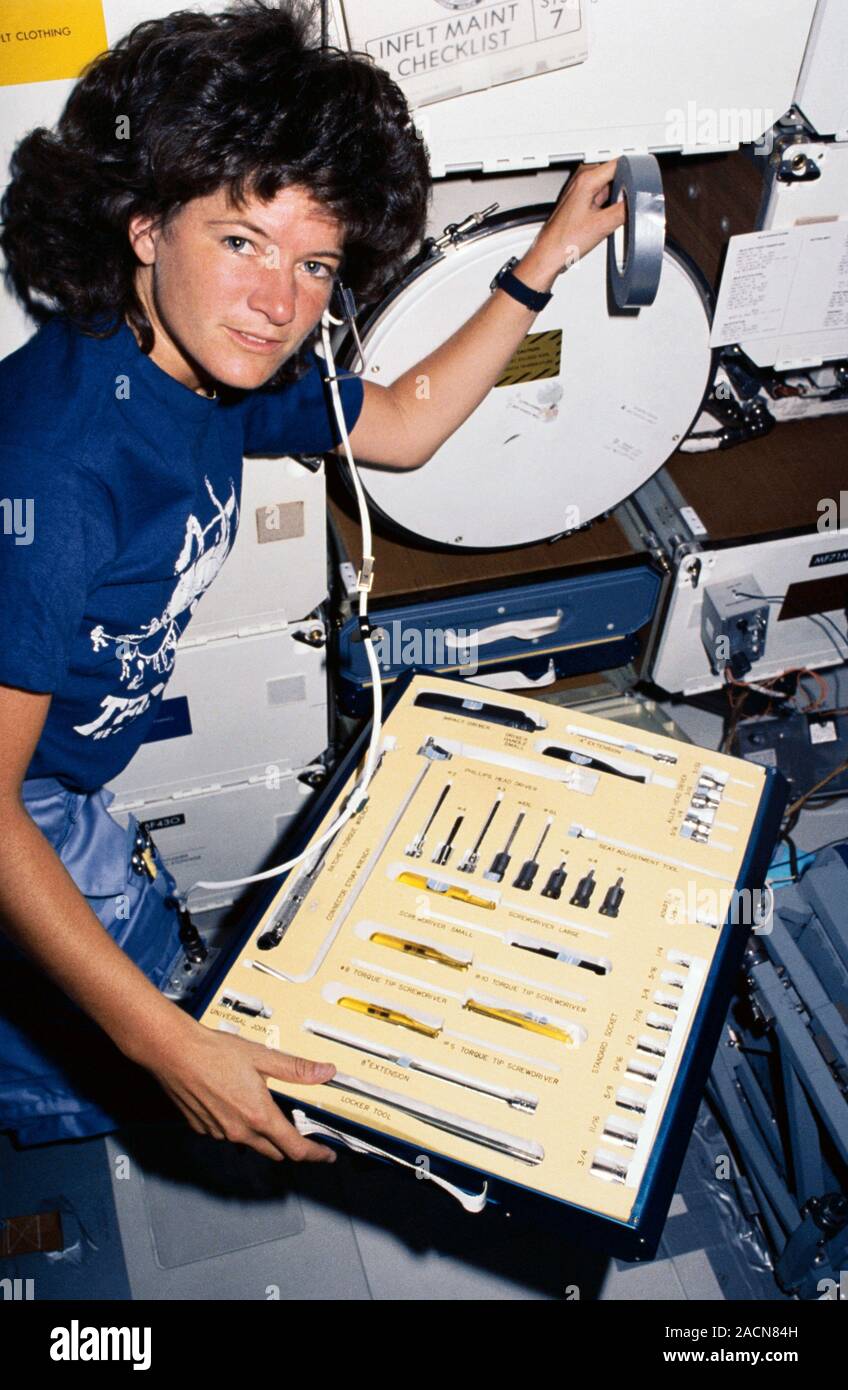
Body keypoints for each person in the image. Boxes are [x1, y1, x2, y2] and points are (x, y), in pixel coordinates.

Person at [0, 0, 624, 1161]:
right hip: (18, 801)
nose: (279, 303)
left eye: (312, 263)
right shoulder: (54, 466)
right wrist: (166, 1047)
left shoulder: (203, 365)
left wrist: (538, 263)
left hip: (61, 781)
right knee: (91, 1051)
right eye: (241, 240)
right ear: (144, 225)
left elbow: (396, 425)